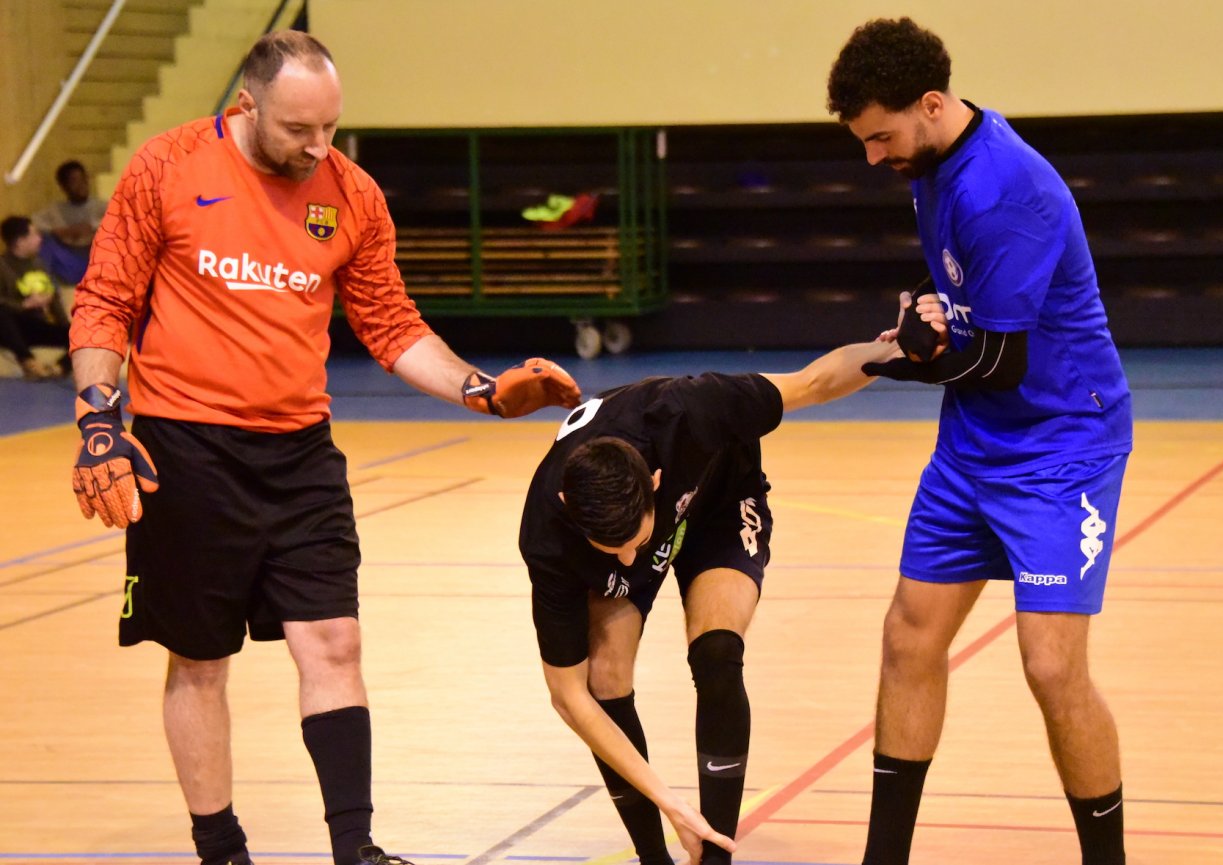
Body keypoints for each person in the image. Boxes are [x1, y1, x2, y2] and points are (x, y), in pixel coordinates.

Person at [68, 30, 581, 865]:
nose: (318, 147)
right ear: (246, 106)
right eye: (299, 130)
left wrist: (480, 390)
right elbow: (104, 301)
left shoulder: (352, 195)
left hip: (301, 453)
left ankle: (356, 848)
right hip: (186, 449)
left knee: (334, 640)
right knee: (199, 660)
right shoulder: (166, 168)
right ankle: (221, 846)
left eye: (331, 128)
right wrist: (99, 418)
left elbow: (390, 324)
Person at [826, 17, 1133, 865]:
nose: (873, 158)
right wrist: (925, 314)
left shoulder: (1006, 187)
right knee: (908, 636)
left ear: (931, 105)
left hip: (1062, 444)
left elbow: (997, 361)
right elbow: (962, 280)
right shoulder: (932, 163)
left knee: (1048, 665)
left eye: (880, 137)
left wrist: (899, 362)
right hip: (975, 442)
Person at [519, 338, 908, 865]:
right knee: (606, 678)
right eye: (614, 550)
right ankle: (653, 858)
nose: (633, 562)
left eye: (635, 542)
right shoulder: (549, 534)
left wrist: (896, 347)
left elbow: (814, 381)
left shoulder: (695, 406)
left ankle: (716, 855)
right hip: (629, 522)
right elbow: (569, 697)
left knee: (717, 652)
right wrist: (670, 803)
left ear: (654, 483)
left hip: (720, 494)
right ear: (568, 508)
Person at [0, 215, 70, 378]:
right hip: (11, 327)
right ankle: (28, 362)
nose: (40, 239)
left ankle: (59, 369)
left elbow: (53, 296)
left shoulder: (39, 264)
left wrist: (66, 327)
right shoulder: (2, 266)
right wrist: (25, 305)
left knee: (84, 334)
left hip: (36, 325)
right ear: (19, 241)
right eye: (35, 235)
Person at [33, 159, 108, 284]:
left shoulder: (101, 206)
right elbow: (33, 222)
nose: (82, 185)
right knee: (44, 239)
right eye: (74, 182)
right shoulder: (55, 209)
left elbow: (123, 219)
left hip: (97, 262)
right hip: (70, 263)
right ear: (63, 186)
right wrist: (58, 231)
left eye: (84, 180)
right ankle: (47, 289)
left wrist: (92, 226)